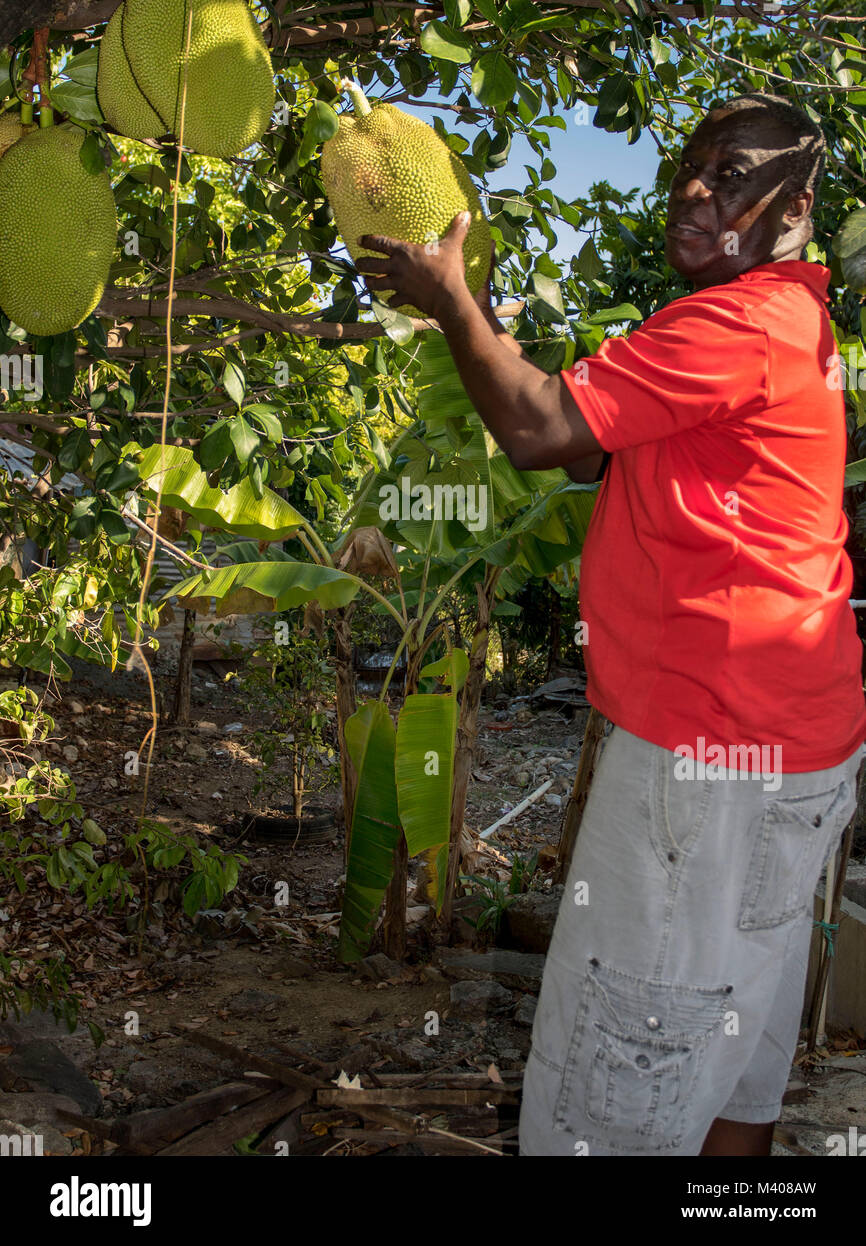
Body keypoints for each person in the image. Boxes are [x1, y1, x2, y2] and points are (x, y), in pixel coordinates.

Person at [354, 92, 866, 1156]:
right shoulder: (792, 320)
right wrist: (475, 305)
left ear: (794, 209)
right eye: (690, 166)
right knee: (733, 1064)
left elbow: (542, 431)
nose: (693, 188)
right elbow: (594, 441)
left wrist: (451, 307)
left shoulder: (735, 324)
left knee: (614, 1093)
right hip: (797, 750)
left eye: (729, 174)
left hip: (703, 757)